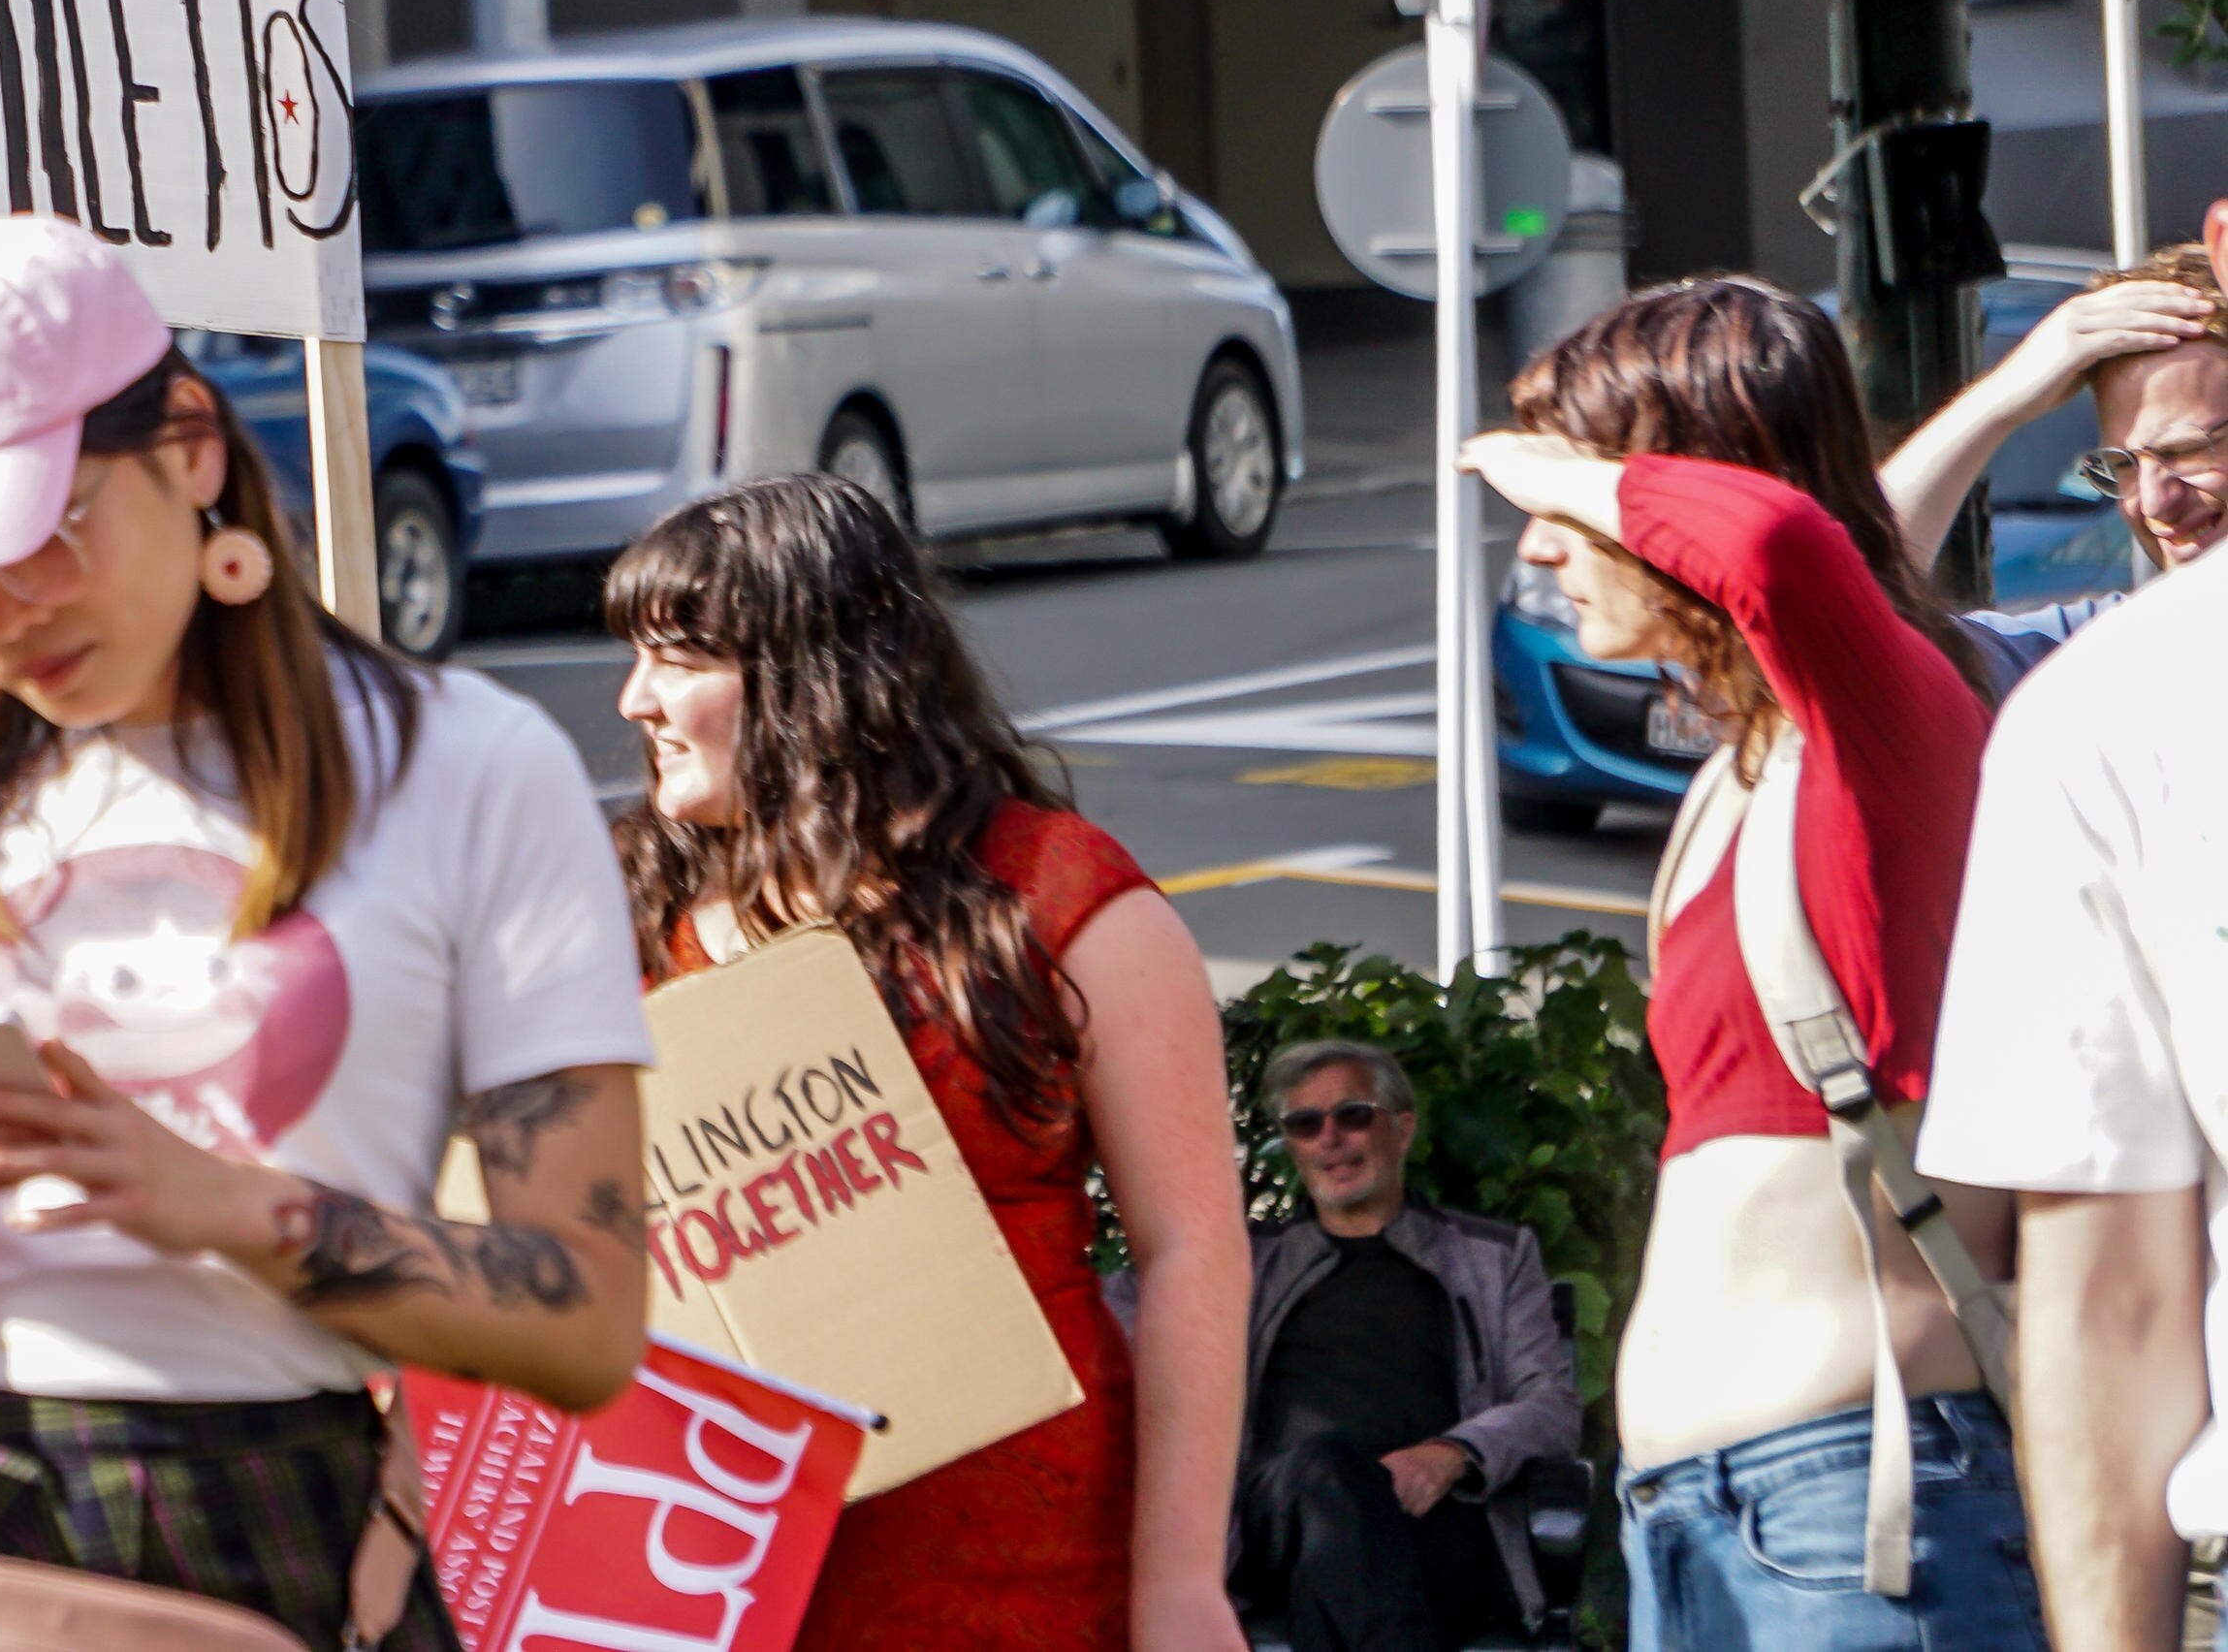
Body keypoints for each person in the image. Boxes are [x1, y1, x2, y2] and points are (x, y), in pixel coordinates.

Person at [0, 216, 654, 1652]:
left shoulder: (470, 768)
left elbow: (583, 1317)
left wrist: (223, 1205)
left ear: (191, 446)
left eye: (36, 535)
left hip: (282, 1523)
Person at [1469, 276, 2034, 1648]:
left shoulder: (1890, 714)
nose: (1542, 544)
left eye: (1583, 505)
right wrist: (2028, 381)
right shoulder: (1764, 762)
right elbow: (1843, 534)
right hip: (1695, 1516)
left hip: (1853, 1494)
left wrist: (1538, 465)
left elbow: (1787, 542)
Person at [608, 470, 1249, 1652]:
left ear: (811, 675)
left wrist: (1178, 1583)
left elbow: (1191, 1251)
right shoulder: (617, 918)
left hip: (1019, 1559)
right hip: (705, 1571)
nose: (632, 699)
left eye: (679, 659)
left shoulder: (1055, 895)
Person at [1910, 205, 2228, 1650]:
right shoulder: (2104, 682)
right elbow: (1837, 606)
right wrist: (2017, 381)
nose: (2159, 499)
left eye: (2197, 450)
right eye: (2126, 462)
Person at [1238, 1037, 1585, 1652]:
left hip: (1435, 1516)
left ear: (1402, 1127)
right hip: (1282, 1517)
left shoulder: (1493, 1257)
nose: (1330, 1138)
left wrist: (1451, 1454)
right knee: (1328, 1467)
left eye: (1351, 1114)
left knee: (1352, 1555)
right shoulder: (1249, 1266)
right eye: (1305, 1123)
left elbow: (1552, 1405)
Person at [1878, 249, 2218, 679]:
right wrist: (2000, 397)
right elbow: (1840, 621)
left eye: (2185, 450)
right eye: (2123, 466)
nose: (2153, 503)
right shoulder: (2106, 657)